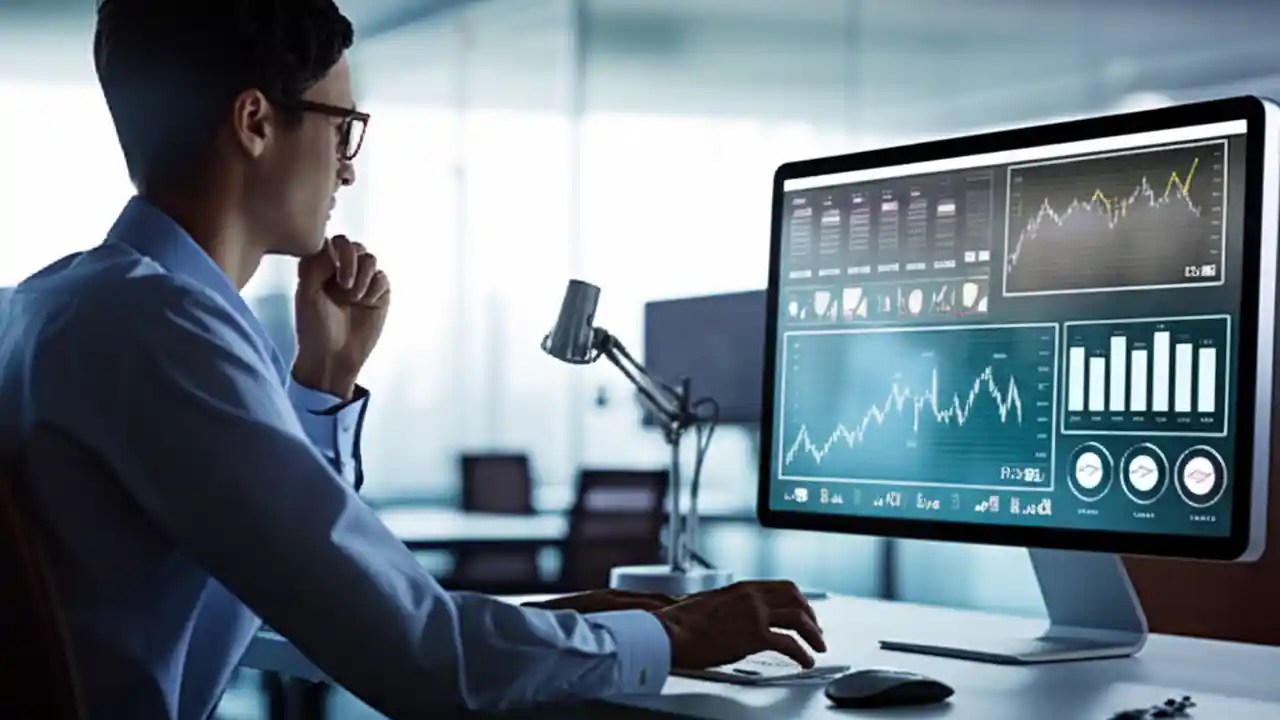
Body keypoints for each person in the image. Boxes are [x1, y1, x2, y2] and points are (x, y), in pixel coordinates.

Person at [0, 1, 826, 718]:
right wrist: (669, 633)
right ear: (255, 122)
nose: (349, 166)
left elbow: (289, 597)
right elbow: (418, 660)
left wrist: (323, 382)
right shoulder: (166, 327)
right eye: (341, 125)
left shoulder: (53, 306)